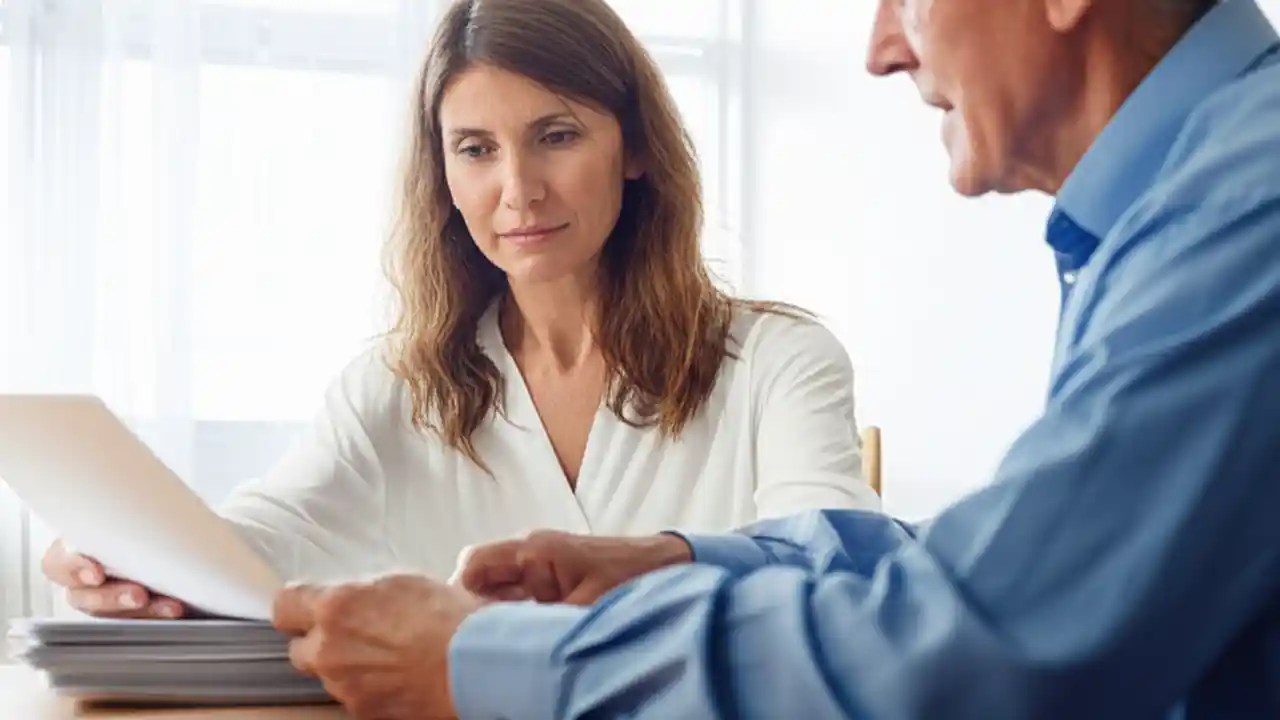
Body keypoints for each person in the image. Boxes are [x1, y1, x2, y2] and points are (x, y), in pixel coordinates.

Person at [270, 0, 1280, 717]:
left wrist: (481, 659)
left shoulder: (1244, 203)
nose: (882, 49)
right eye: (474, 149)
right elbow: (1006, 563)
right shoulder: (1187, 197)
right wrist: (674, 559)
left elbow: (980, 646)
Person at [38, 0, 880, 620]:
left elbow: (840, 570)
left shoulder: (778, 361)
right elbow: (262, 539)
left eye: (556, 135)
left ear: (635, 147)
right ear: (443, 172)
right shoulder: (398, 386)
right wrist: (126, 558)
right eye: (475, 150)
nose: (518, 192)